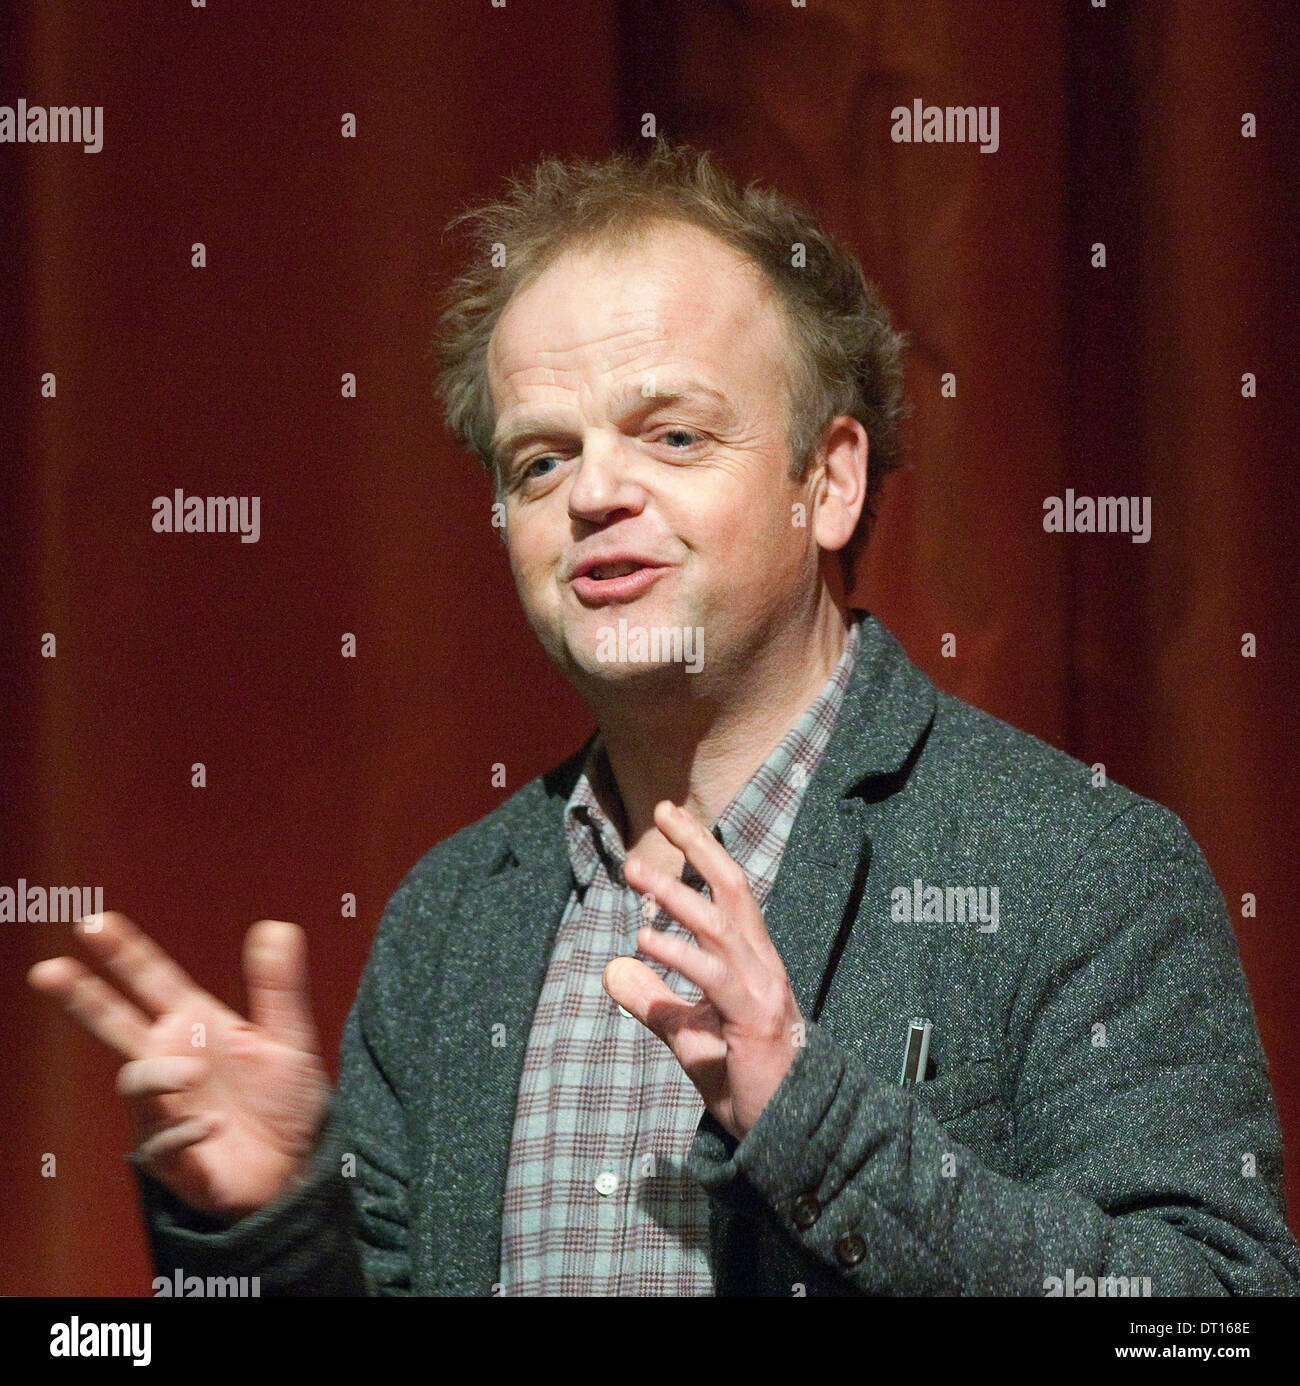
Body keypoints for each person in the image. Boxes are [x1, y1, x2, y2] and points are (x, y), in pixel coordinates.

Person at [29, 141, 1300, 1296]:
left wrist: (814, 1124)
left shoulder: (1073, 861)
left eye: (672, 435)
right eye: (538, 460)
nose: (592, 493)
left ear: (830, 480)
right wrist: (271, 1234)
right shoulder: (454, 915)